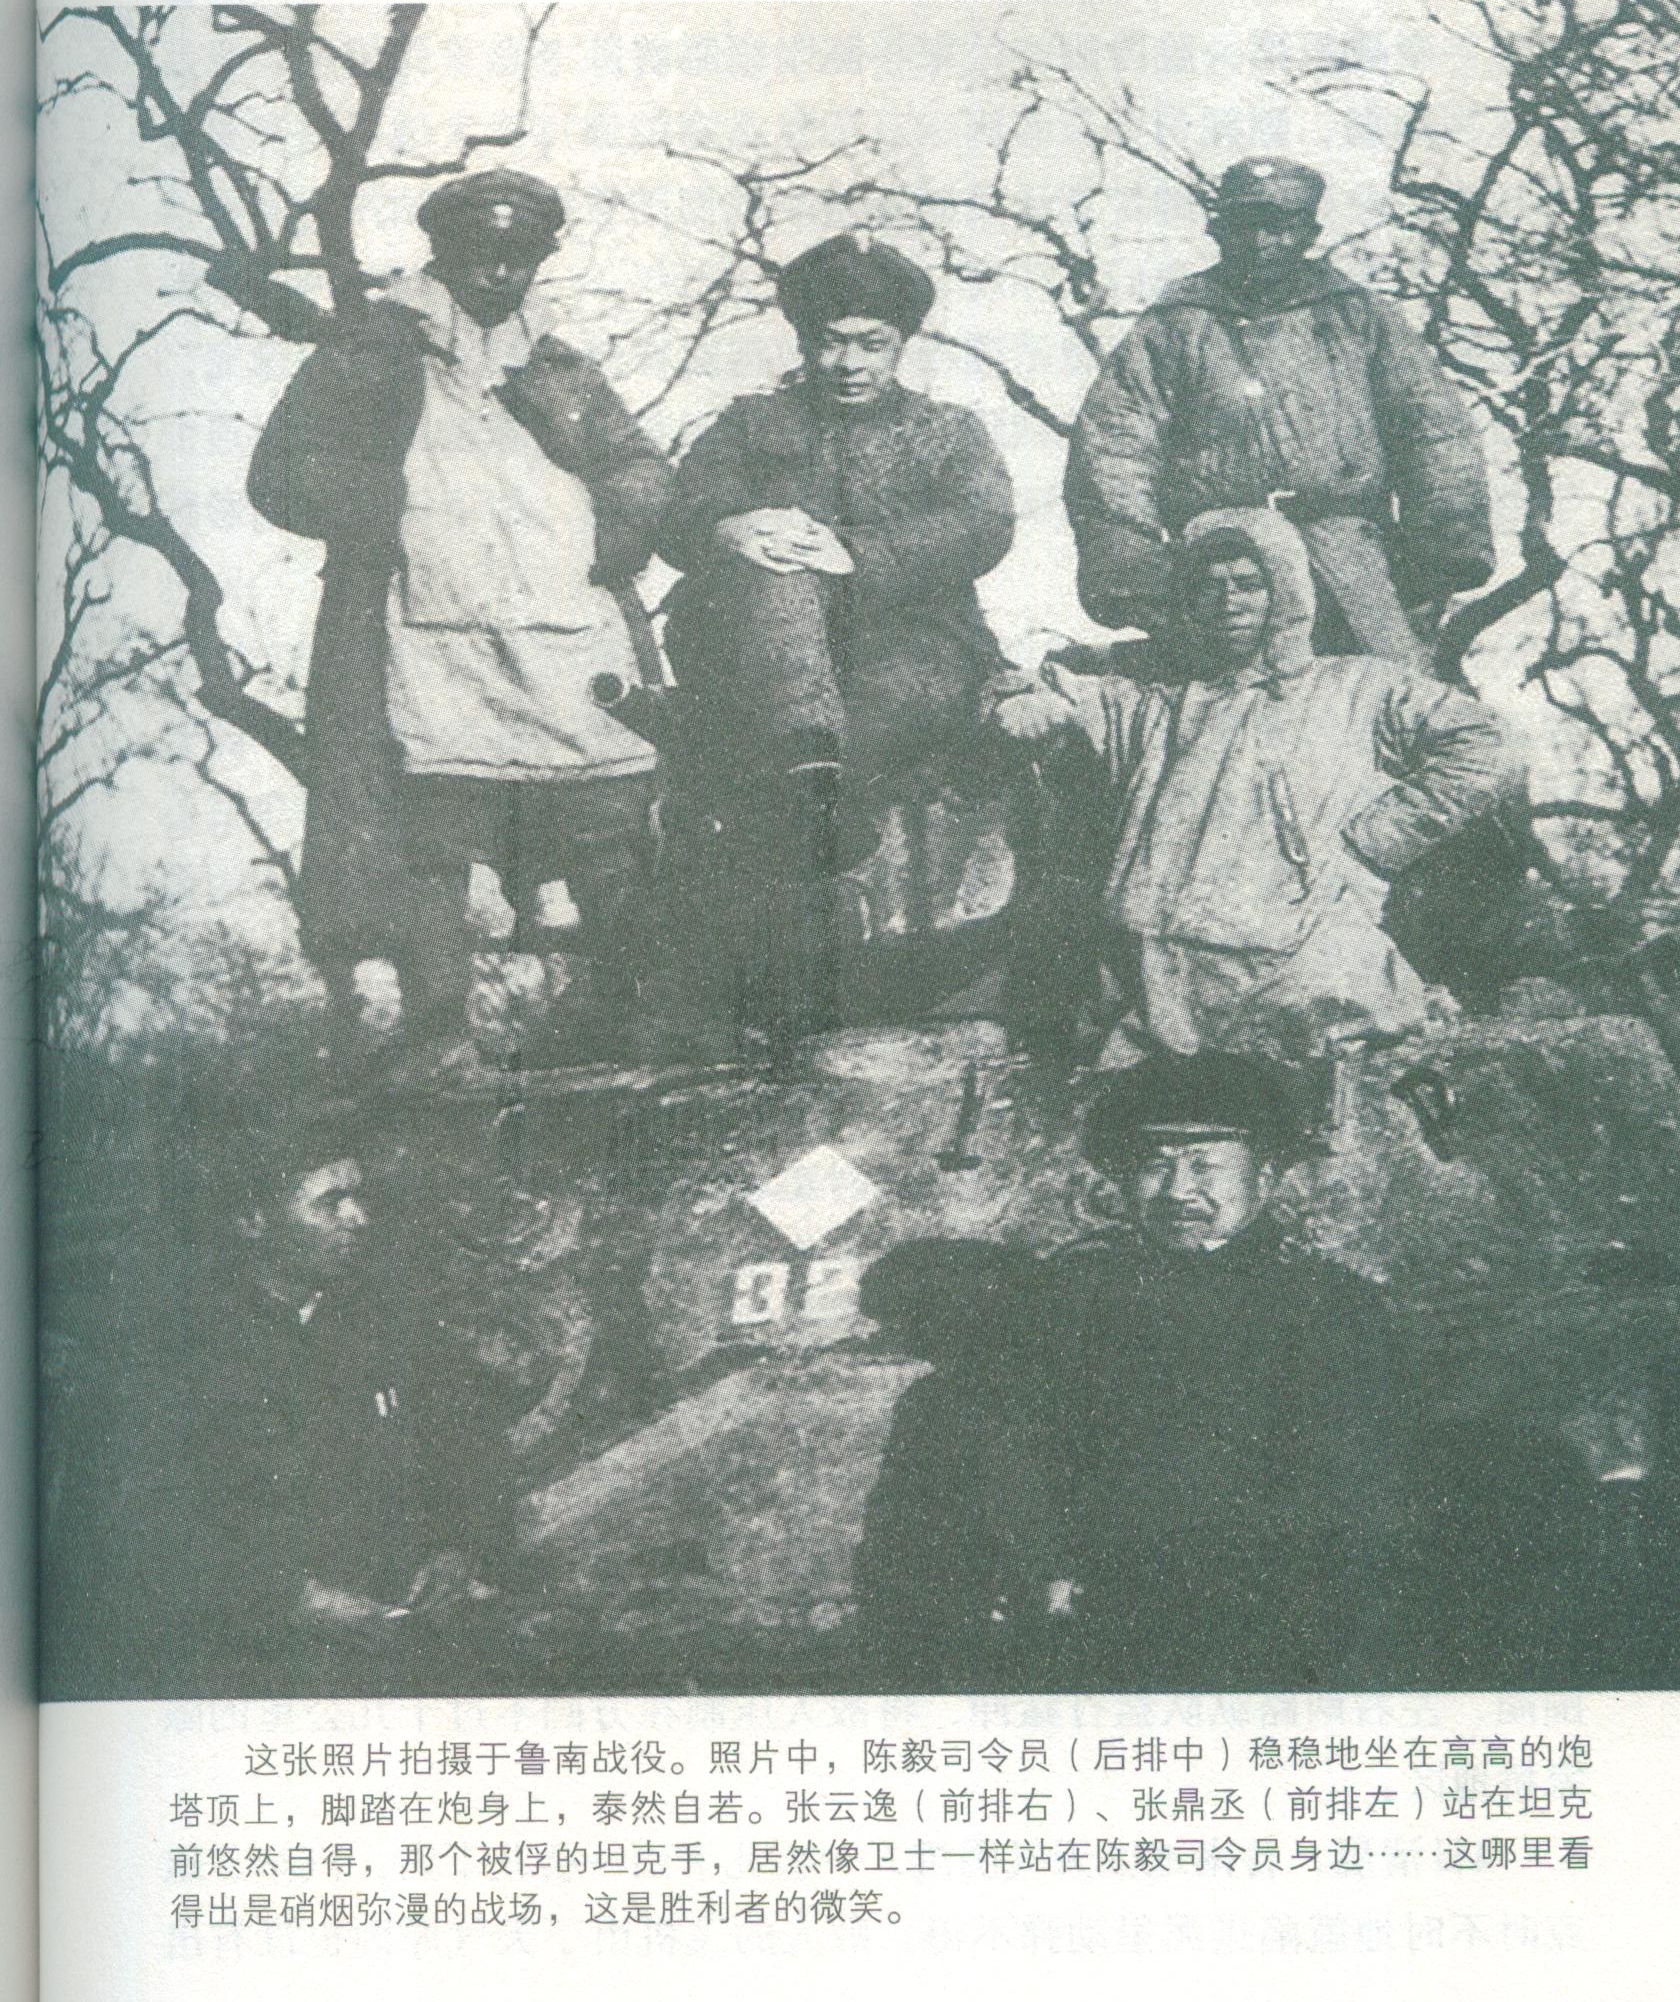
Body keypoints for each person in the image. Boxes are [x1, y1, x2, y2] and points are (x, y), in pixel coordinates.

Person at [247, 169, 673, 1073]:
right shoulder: (369, 352)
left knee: (608, 809)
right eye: (480, 256)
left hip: (564, 626)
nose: (497, 275)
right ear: (445, 254)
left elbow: (638, 466)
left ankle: (644, 1013)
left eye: (516, 259)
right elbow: (282, 472)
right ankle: (439, 1027)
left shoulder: (560, 368)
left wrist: (609, 532)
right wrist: (397, 515)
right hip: (422, 633)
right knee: (428, 825)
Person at [853, 1055, 1414, 1692]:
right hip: (1092, 1636)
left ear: (1267, 1176)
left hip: (1264, 1644)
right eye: (1156, 1163)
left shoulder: (1327, 1309)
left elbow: (1358, 1515)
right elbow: (1020, 1454)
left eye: (1206, 1166)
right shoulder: (1075, 1297)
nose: (1178, 1191)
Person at [989, 507, 1517, 1063]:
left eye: (1249, 583)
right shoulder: (1157, 701)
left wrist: (1375, 840)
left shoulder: (1357, 688)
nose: (1228, 599)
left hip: (1300, 973)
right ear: (1186, 600)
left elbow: (1487, 744)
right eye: (1208, 585)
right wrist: (1030, 704)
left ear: (1285, 590)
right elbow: (1057, 691)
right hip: (1157, 983)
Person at [47, 1153, 528, 1696]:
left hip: (402, 1628)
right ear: (254, 1219)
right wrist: (290, 1600)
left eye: (357, 1197)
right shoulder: (183, 1347)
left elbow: (475, 1449)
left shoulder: (389, 1319)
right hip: (253, 1657)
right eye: (330, 1204)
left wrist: (460, 1548)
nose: (359, 1218)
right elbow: (143, 1524)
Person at [658, 231, 1015, 877]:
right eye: (831, 341)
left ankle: (825, 802)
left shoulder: (948, 431)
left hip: (913, 638)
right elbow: (683, 510)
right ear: (803, 342)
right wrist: (729, 527)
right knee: (779, 570)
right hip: (756, 644)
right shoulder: (749, 424)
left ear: (901, 345)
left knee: (888, 704)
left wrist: (857, 553)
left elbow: (982, 523)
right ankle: (805, 780)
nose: (849, 362)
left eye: (871, 344)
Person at [1064, 154, 1494, 664]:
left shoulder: (1360, 317)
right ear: (1218, 231)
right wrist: (1130, 564)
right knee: (1214, 713)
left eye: (1279, 227)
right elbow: (1113, 447)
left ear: (1309, 232)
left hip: (1350, 555)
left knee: (1394, 698)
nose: (1260, 243)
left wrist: (1444, 548)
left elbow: (1434, 431)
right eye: (1244, 227)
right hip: (1222, 564)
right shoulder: (1174, 327)